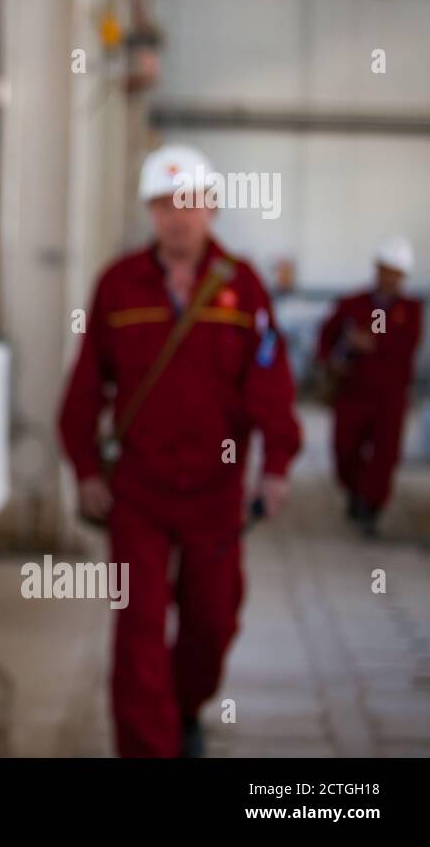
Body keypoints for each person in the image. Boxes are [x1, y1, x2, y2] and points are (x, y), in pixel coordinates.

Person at [57, 143, 302, 758]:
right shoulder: (118, 286)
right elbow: (86, 386)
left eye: (190, 202)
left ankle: (185, 706)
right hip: (138, 493)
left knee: (211, 624)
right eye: (165, 204)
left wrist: (275, 468)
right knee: (137, 631)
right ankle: (149, 745)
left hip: (216, 496)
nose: (178, 216)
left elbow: (270, 382)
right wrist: (86, 469)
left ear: (212, 208)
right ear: (150, 211)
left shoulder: (242, 288)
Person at [316, 237, 422, 536]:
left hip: (390, 396)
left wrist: (373, 342)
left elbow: (407, 345)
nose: (389, 278)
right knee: (345, 448)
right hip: (353, 393)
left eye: (395, 273)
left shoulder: (410, 310)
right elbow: (326, 336)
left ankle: (371, 507)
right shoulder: (353, 304)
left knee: (384, 454)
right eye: (385, 270)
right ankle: (355, 490)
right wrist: (330, 360)